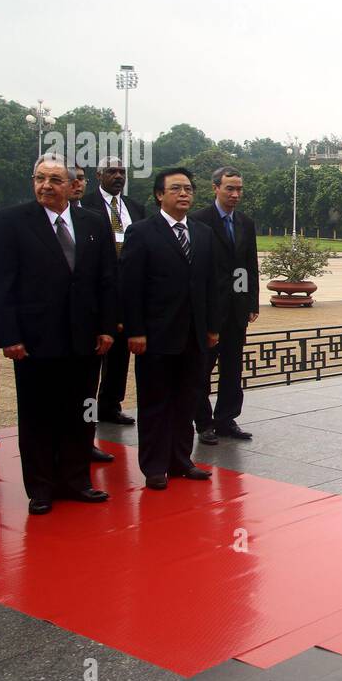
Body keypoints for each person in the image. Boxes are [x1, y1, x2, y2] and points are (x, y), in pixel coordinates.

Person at [0, 155, 117, 515]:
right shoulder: (12, 221)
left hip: (85, 340)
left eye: (55, 180)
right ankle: (41, 487)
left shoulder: (93, 222)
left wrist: (108, 327)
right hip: (34, 341)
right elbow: (2, 285)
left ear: (71, 185)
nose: (46, 186)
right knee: (38, 416)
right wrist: (10, 336)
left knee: (81, 411)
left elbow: (107, 279)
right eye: (40, 178)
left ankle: (76, 480)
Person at [119, 168, 222, 490]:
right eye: (175, 188)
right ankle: (154, 466)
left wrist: (212, 326)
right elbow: (130, 286)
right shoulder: (142, 232)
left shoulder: (203, 233)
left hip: (194, 334)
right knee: (155, 403)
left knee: (186, 401)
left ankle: (181, 460)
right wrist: (135, 330)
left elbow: (212, 284)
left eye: (189, 189)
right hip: (156, 335)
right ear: (159, 195)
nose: (184, 194)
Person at [192, 167, 259, 444]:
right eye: (230, 188)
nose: (235, 194)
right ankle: (203, 422)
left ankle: (226, 418)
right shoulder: (199, 221)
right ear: (215, 188)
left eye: (239, 189)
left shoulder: (245, 222)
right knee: (203, 368)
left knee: (232, 367)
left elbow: (249, 266)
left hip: (236, 309)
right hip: (210, 309)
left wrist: (251, 302)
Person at [82, 157, 146, 428]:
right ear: (99, 175)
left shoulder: (135, 208)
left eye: (122, 172)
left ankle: (111, 405)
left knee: (121, 356)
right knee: (94, 356)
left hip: (128, 290)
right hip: (100, 290)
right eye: (112, 171)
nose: (118, 176)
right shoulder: (85, 205)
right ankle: (87, 413)